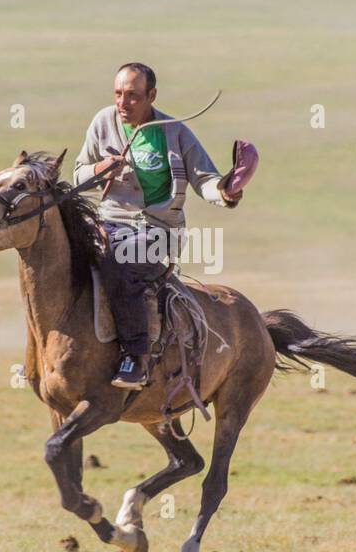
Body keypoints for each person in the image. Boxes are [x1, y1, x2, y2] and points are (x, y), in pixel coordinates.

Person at [73, 63, 243, 390]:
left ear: (152, 95)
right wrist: (101, 167)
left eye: (133, 96)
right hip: (109, 224)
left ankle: (136, 357)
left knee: (118, 259)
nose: (123, 103)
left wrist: (225, 192)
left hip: (159, 232)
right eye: (118, 94)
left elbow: (205, 179)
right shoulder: (102, 122)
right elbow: (79, 175)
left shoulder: (175, 132)